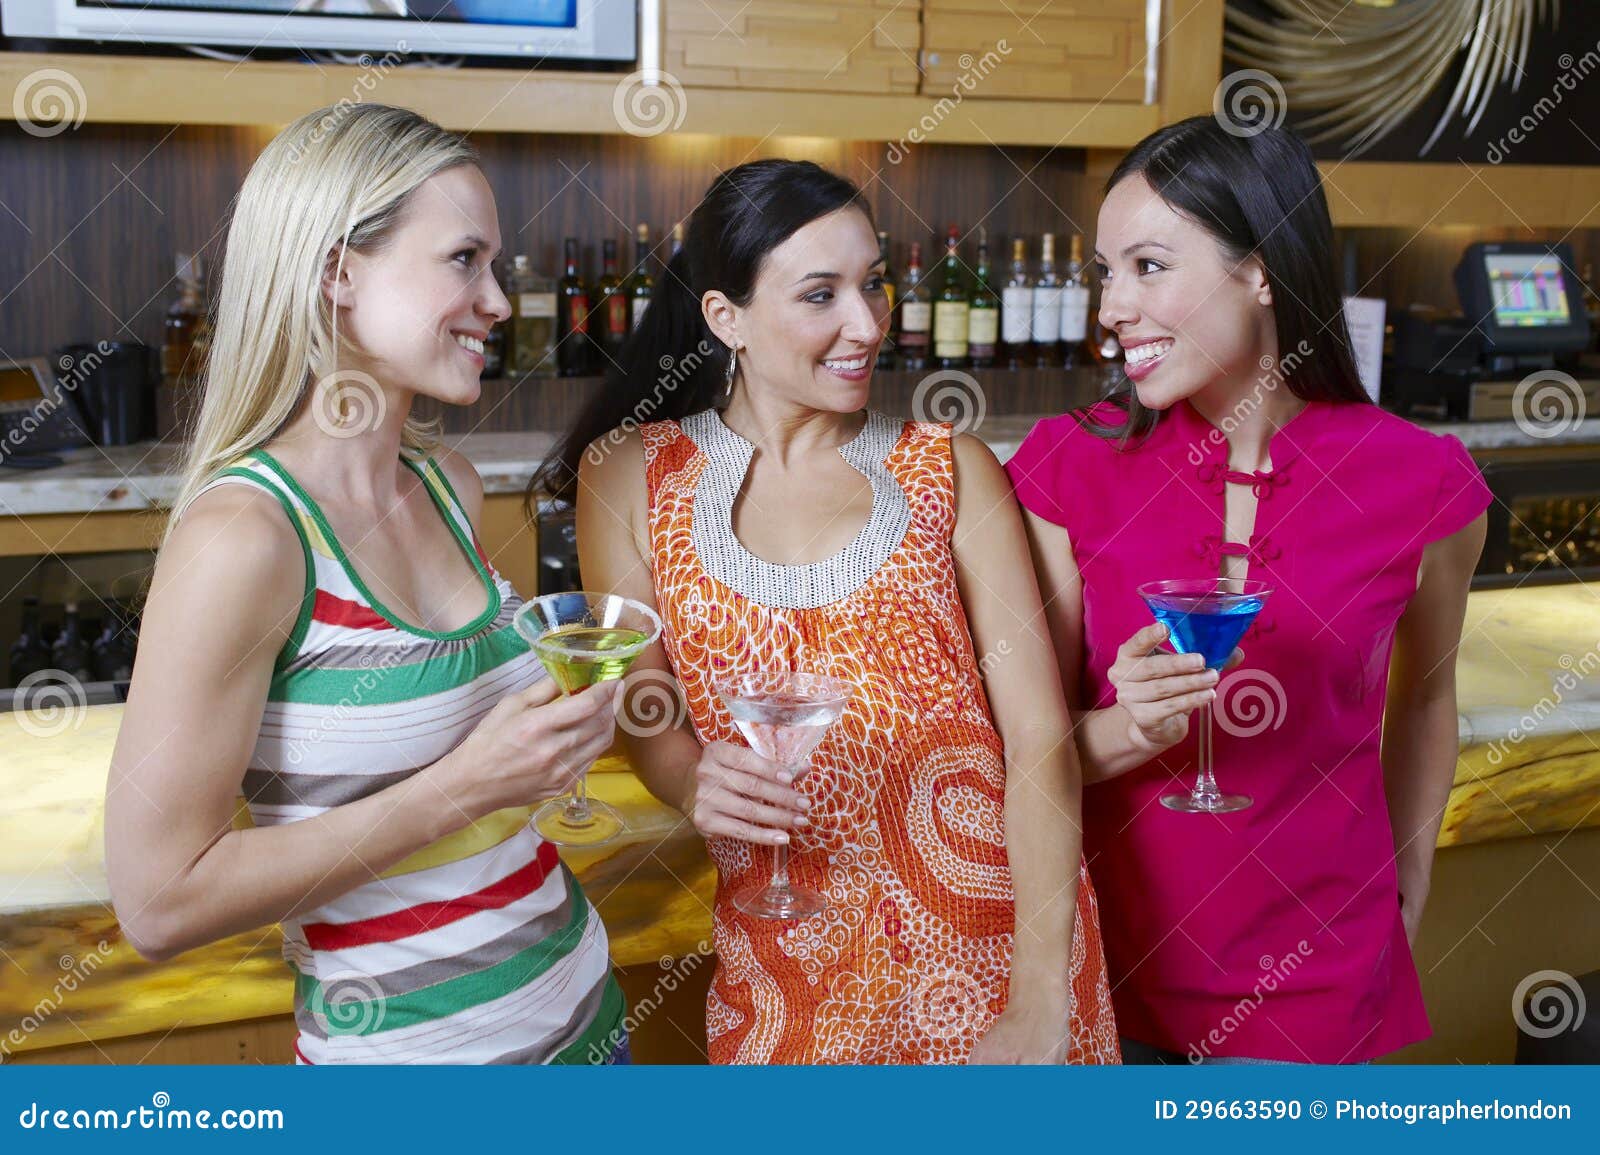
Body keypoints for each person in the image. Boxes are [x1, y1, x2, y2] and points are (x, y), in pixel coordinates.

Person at [544, 159, 1120, 1064]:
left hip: (1001, 962)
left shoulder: (952, 468)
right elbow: (646, 706)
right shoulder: (627, 474)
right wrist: (688, 778)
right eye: (822, 294)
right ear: (725, 317)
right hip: (786, 972)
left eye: (874, 284)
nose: (868, 323)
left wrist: (1042, 997)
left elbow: (1039, 737)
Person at [105, 104, 629, 1065]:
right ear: (338, 271)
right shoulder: (247, 538)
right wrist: (465, 786)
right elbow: (159, 901)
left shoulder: (450, 486)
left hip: (589, 1022)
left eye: (494, 265)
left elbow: (493, 777)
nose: (498, 301)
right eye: (464, 260)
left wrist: (554, 739)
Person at [1005, 116, 1489, 1064]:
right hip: (1104, 970)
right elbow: (1025, 750)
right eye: (1106, 272)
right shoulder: (1065, 468)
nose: (1112, 307)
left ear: (1261, 272)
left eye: (1148, 267)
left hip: (1318, 982)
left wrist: (1409, 882)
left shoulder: (1422, 481)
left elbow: (1426, 700)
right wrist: (1129, 728)